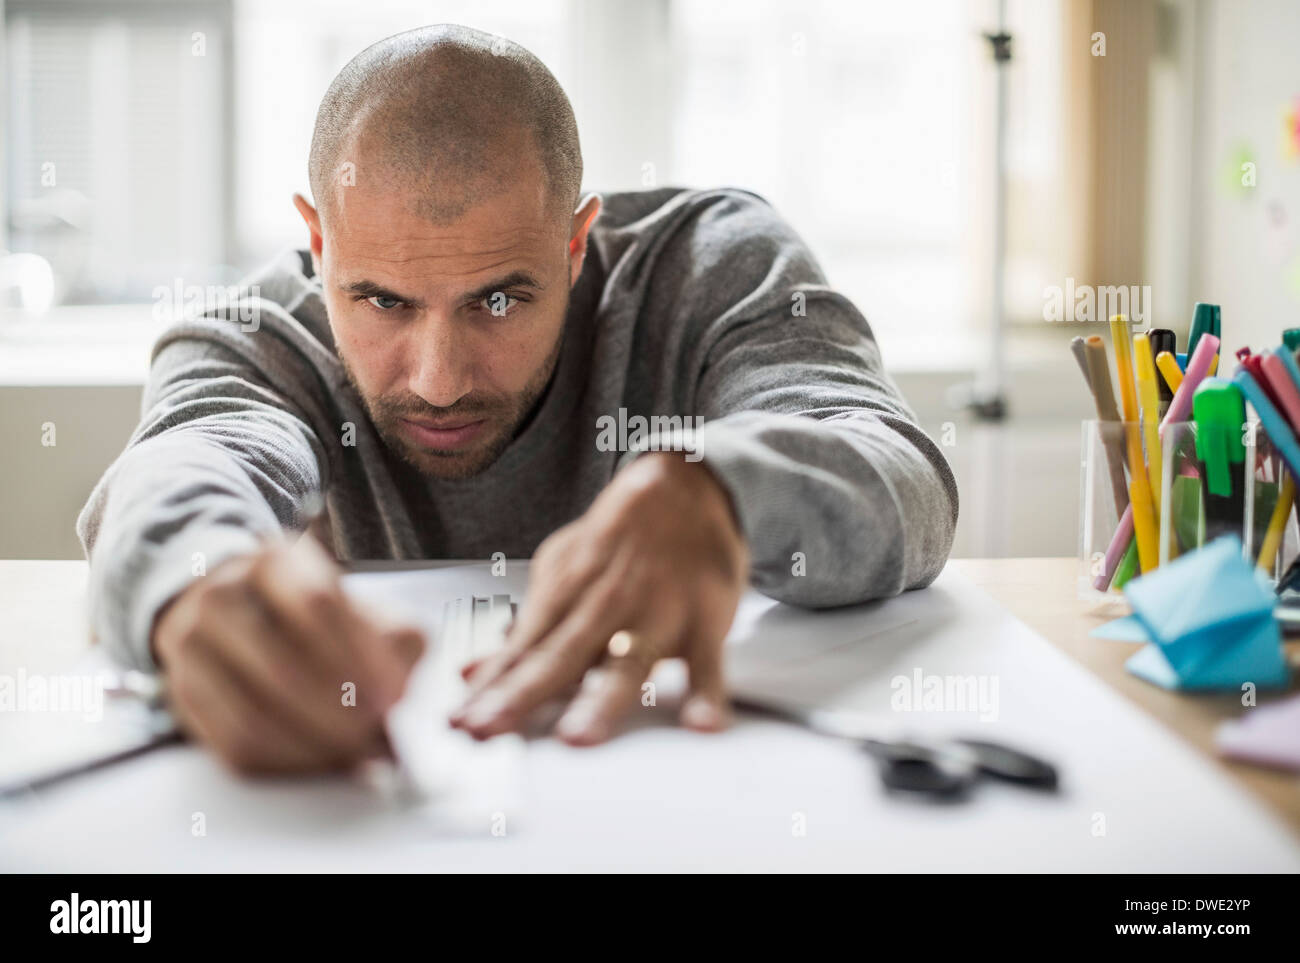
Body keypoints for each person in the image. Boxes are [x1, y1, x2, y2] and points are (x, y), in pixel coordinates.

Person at [77, 23, 958, 774]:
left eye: (499, 300)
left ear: (576, 245)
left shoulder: (713, 266)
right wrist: (196, 584)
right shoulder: (258, 337)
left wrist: (721, 486)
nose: (439, 379)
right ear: (319, 243)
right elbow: (179, 466)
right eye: (382, 300)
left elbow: (900, 470)